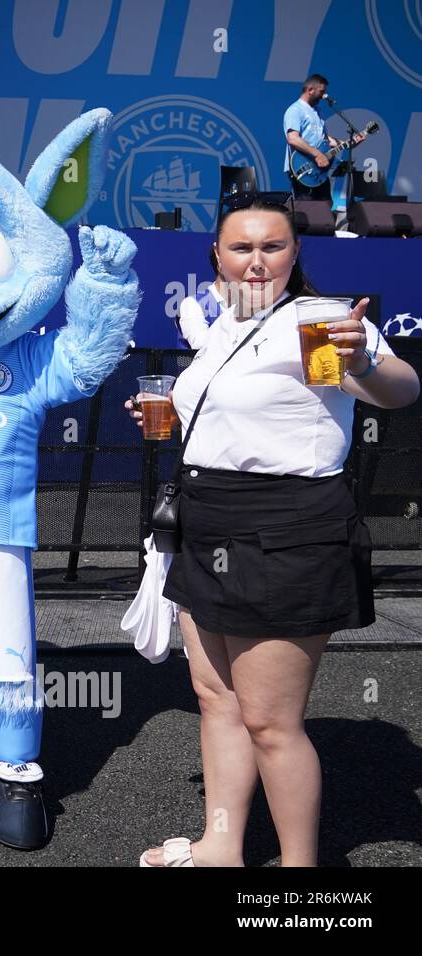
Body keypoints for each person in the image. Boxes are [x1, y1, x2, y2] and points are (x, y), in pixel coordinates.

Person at [128, 192, 419, 866]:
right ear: (217, 256)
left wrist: (365, 362)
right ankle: (222, 846)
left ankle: (299, 875)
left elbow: (396, 390)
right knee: (216, 698)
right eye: (242, 247)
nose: (256, 261)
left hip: (285, 529)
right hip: (205, 520)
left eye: (272, 246)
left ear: (294, 252)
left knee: (270, 722)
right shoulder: (216, 323)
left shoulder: (320, 325)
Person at [283, 74, 365, 201]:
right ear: (310, 90)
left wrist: (349, 142)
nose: (324, 95)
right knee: (306, 212)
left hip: (319, 171)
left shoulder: (318, 111)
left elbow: (325, 140)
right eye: (321, 91)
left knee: (325, 212)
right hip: (303, 168)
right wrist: (317, 154)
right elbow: (293, 139)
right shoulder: (295, 110)